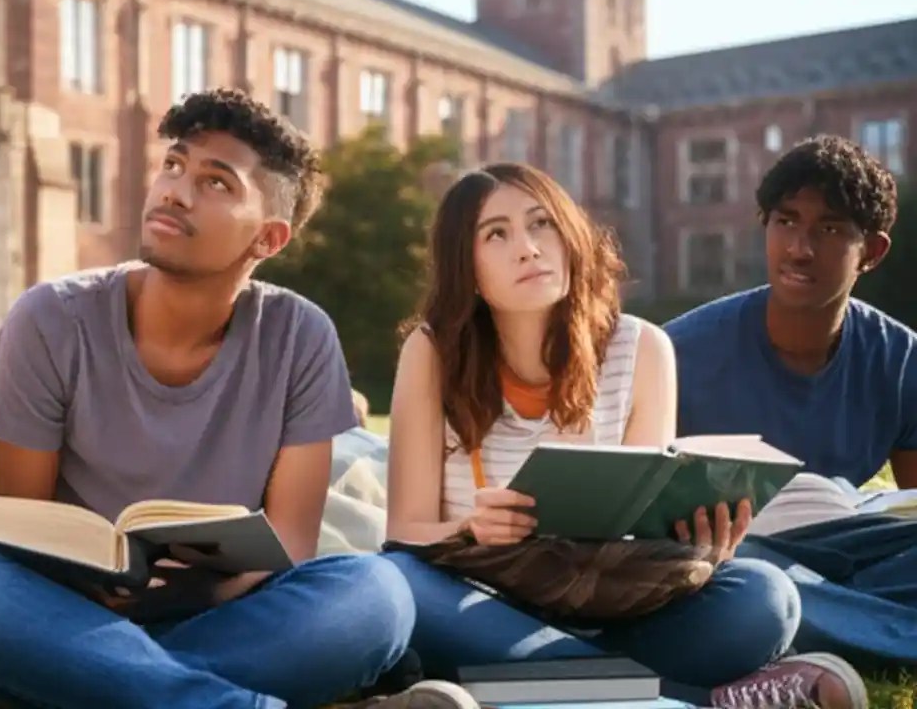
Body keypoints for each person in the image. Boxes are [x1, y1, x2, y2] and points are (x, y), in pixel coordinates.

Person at [0, 89, 478, 709]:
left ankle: (56, 693)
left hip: (220, 620)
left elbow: (290, 547)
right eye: (174, 164)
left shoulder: (300, 336)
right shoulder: (50, 319)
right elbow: (20, 530)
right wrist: (95, 592)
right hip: (63, 614)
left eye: (216, 183)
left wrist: (205, 591)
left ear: (269, 239)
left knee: (376, 593)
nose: (175, 190)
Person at [380, 162, 866, 709]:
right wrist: (469, 527)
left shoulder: (642, 348)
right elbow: (405, 532)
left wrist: (702, 545)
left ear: (569, 236)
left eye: (541, 224)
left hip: (613, 606)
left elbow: (639, 525)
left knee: (764, 598)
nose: (528, 248)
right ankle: (685, 698)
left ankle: (518, 690)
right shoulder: (432, 351)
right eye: (496, 233)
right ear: (465, 267)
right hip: (481, 602)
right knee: (392, 583)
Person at [666, 134, 917, 670]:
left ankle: (832, 629)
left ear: (870, 251)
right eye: (786, 221)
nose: (800, 248)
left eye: (828, 229)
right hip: (731, 557)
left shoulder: (901, 358)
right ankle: (868, 632)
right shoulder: (679, 351)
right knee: (749, 585)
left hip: (851, 552)